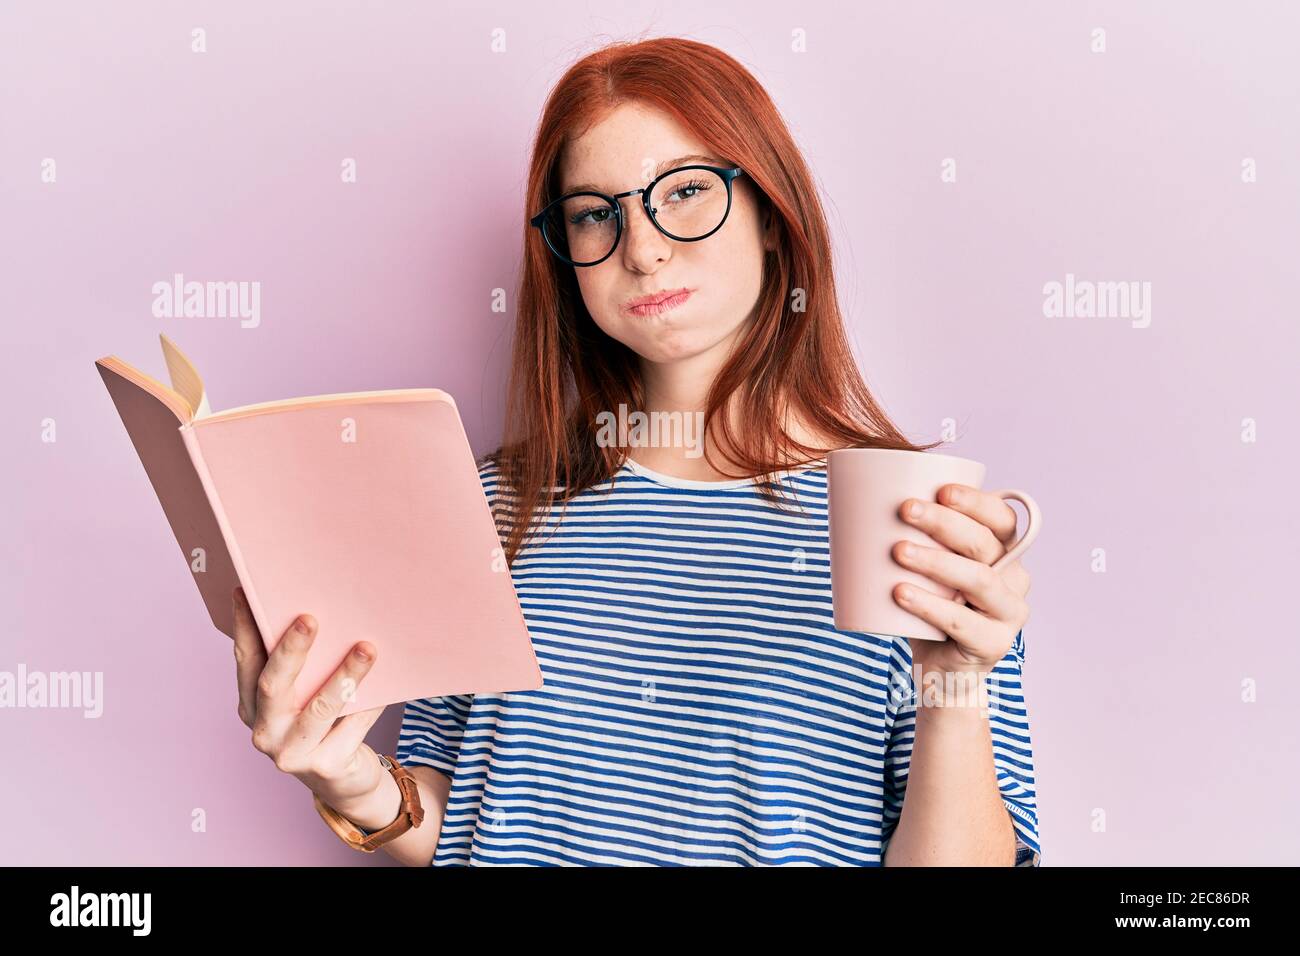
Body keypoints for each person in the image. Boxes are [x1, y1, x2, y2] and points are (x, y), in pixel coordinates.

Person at [230, 36, 1041, 867]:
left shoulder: (910, 518)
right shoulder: (496, 498)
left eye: (686, 191)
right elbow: (458, 811)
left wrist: (955, 684)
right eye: (595, 213)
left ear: (771, 211)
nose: (643, 249)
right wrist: (350, 783)